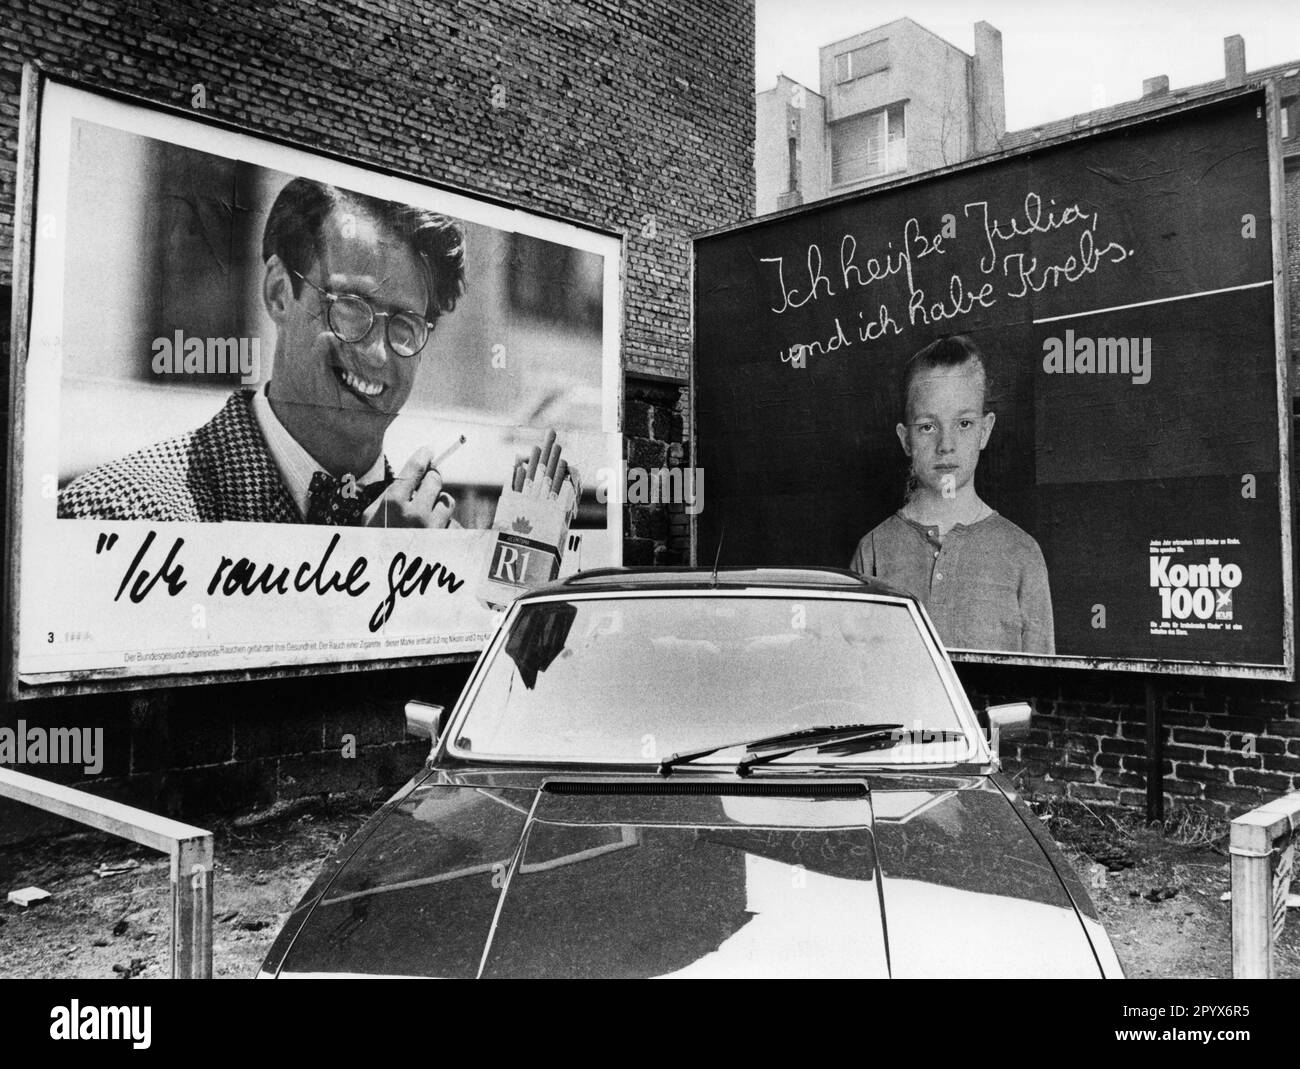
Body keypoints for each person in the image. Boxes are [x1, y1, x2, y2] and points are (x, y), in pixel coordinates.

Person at [58, 177, 471, 527]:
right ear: (278, 293)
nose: (379, 355)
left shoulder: (449, 549)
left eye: (405, 325)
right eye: (349, 307)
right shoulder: (116, 511)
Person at [849, 334, 1055, 654]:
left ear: (984, 431)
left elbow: (1042, 690)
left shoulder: (1022, 554)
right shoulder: (873, 551)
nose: (946, 444)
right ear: (906, 439)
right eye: (928, 426)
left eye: (963, 423)